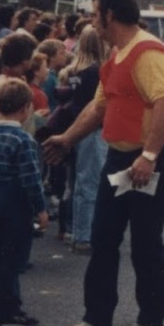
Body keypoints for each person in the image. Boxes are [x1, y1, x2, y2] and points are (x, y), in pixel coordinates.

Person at [46, 0, 164, 326]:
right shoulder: (117, 55)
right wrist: (67, 139)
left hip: (149, 159)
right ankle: (97, 319)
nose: (92, 22)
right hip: (121, 158)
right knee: (103, 236)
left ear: (110, 16)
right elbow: (98, 107)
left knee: (145, 240)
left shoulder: (148, 52)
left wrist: (149, 157)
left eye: (95, 14)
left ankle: (151, 321)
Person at [0, 78, 48, 326]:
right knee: (14, 258)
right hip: (17, 202)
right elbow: (31, 178)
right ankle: (9, 310)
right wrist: (41, 208)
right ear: (25, 108)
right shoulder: (24, 140)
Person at [61, 26, 106, 253]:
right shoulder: (96, 71)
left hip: (74, 126)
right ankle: (84, 235)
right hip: (92, 129)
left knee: (76, 182)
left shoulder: (73, 71)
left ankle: (72, 229)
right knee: (90, 182)